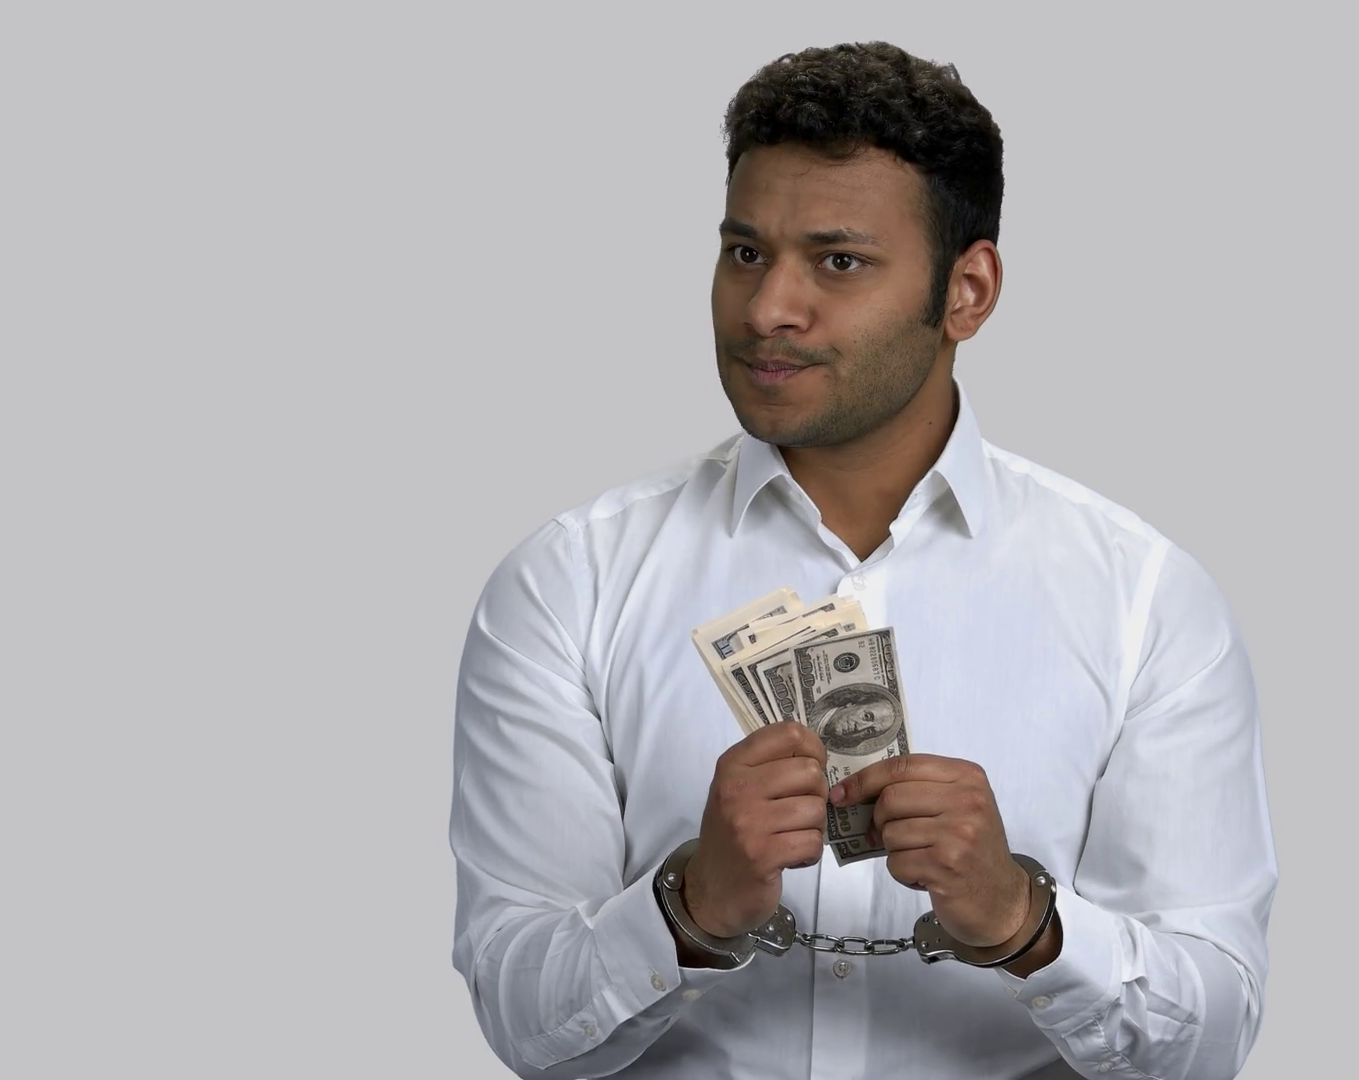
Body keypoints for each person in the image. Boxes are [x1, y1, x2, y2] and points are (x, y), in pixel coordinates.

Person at [449, 41, 1277, 1080]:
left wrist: (1026, 924)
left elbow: (1209, 1039)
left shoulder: (1144, 602)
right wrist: (689, 910)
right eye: (745, 252)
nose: (767, 310)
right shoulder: (567, 586)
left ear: (966, 293)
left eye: (838, 262)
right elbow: (523, 1024)